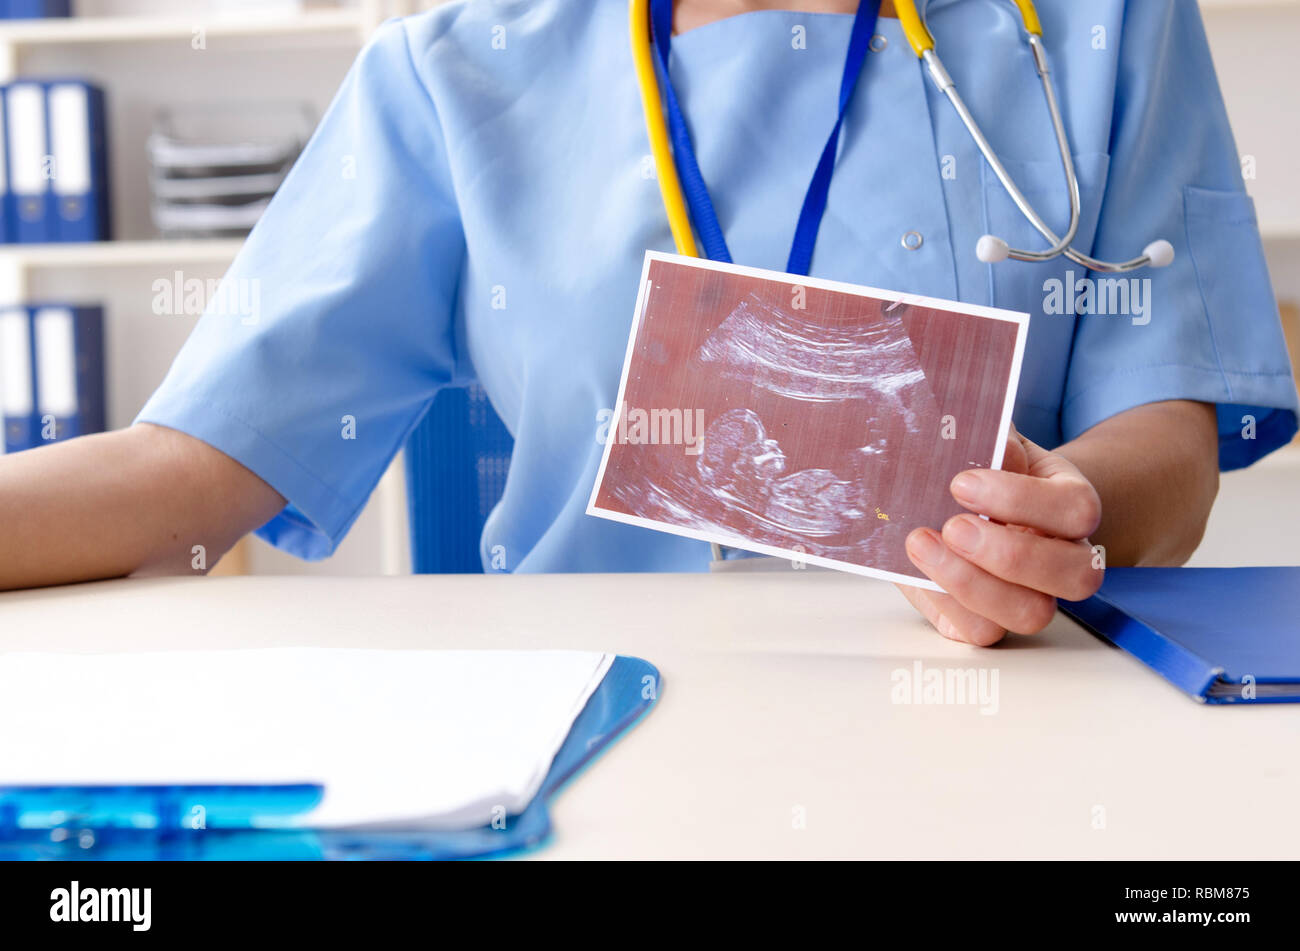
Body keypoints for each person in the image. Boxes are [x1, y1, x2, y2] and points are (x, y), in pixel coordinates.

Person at [0, 0, 1294, 648]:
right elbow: (195, 463)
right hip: (590, 708)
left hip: (1014, 698)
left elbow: (1168, 428)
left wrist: (1062, 516)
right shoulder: (459, 65)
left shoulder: (1098, 25)